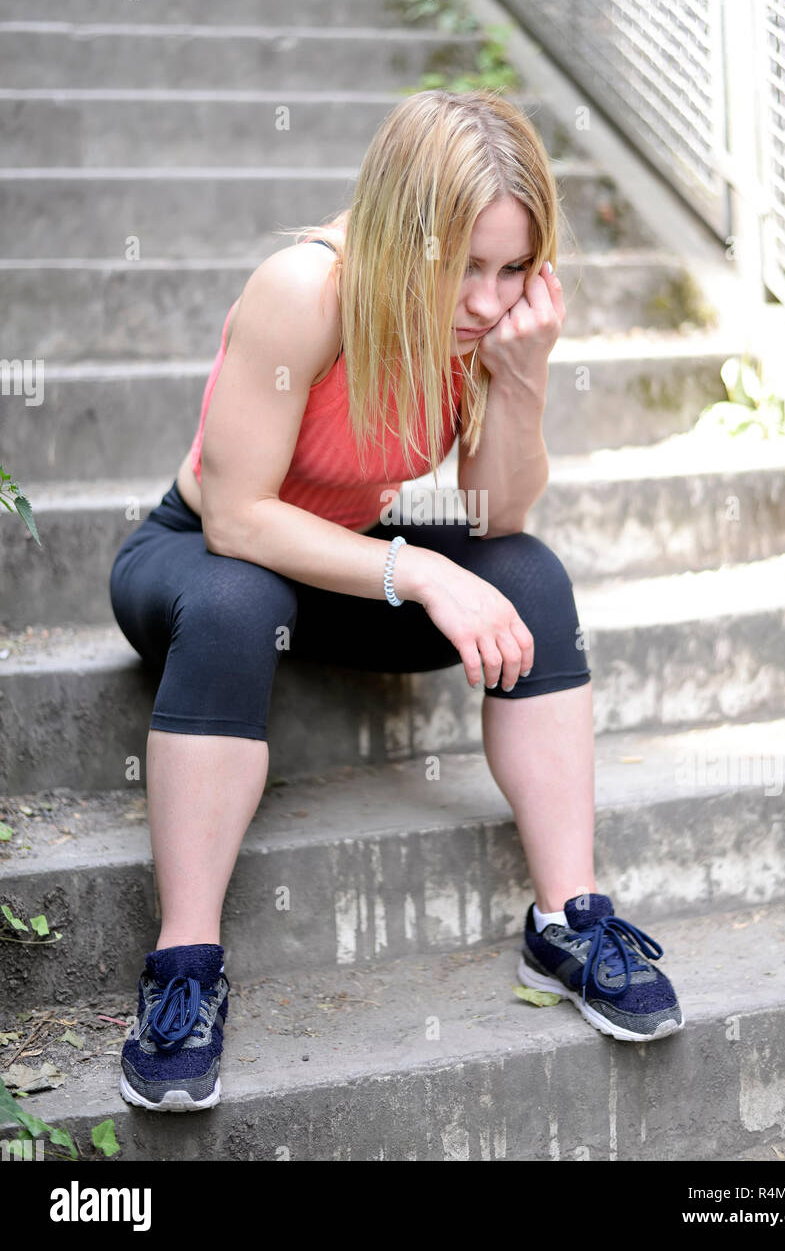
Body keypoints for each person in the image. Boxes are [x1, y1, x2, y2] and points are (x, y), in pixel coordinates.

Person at [108, 88, 683, 1113]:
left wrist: (522, 376)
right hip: (199, 554)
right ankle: (184, 965)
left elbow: (495, 514)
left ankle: (568, 917)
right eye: (462, 264)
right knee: (240, 600)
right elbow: (240, 517)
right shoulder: (305, 289)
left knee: (534, 575)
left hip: (332, 568)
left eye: (512, 269)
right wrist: (417, 569)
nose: (486, 298)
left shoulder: (492, 327)